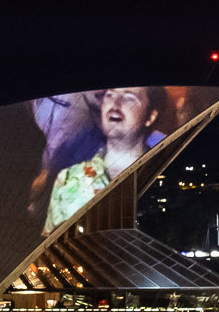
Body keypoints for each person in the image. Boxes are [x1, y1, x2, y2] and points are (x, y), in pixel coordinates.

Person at [44, 85, 164, 226]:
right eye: (109, 95)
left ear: (150, 117)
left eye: (129, 98)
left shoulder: (163, 177)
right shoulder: (67, 178)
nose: (115, 104)